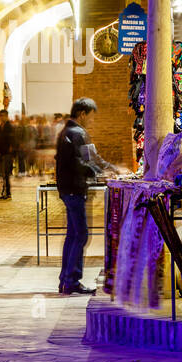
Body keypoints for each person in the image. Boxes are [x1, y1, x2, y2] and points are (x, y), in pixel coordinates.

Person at [54, 97, 114, 295]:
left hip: (66, 189)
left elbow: (90, 159)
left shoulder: (66, 132)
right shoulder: (78, 133)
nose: (92, 120)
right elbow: (84, 162)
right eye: (91, 116)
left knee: (73, 235)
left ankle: (65, 279)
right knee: (80, 234)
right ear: (82, 114)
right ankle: (72, 281)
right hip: (74, 189)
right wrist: (102, 172)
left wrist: (106, 168)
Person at [0, 110, 14, 200]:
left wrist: (11, 149)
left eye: (3, 116)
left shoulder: (10, 127)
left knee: (6, 174)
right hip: (0, 153)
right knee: (2, 174)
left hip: (7, 153)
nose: (1, 117)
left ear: (6, 116)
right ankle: (3, 192)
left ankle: (8, 193)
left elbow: (13, 140)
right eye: (0, 116)